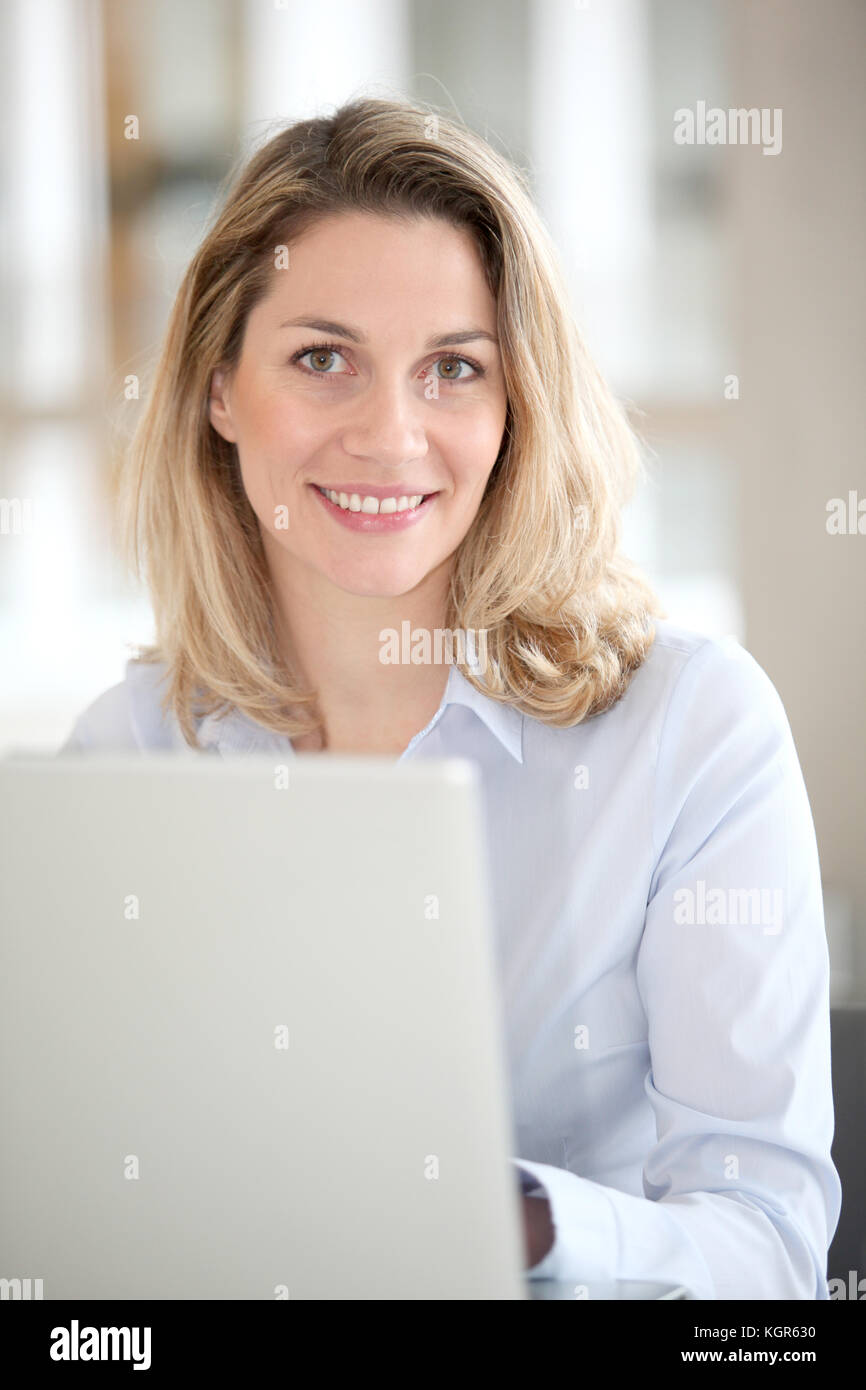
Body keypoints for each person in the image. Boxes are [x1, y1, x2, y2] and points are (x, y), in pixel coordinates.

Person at [60, 96, 841, 1296]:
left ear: (512, 403)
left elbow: (770, 1253)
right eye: (322, 359)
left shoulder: (688, 728)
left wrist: (515, 1221)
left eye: (452, 369)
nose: (389, 432)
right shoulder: (125, 753)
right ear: (219, 389)